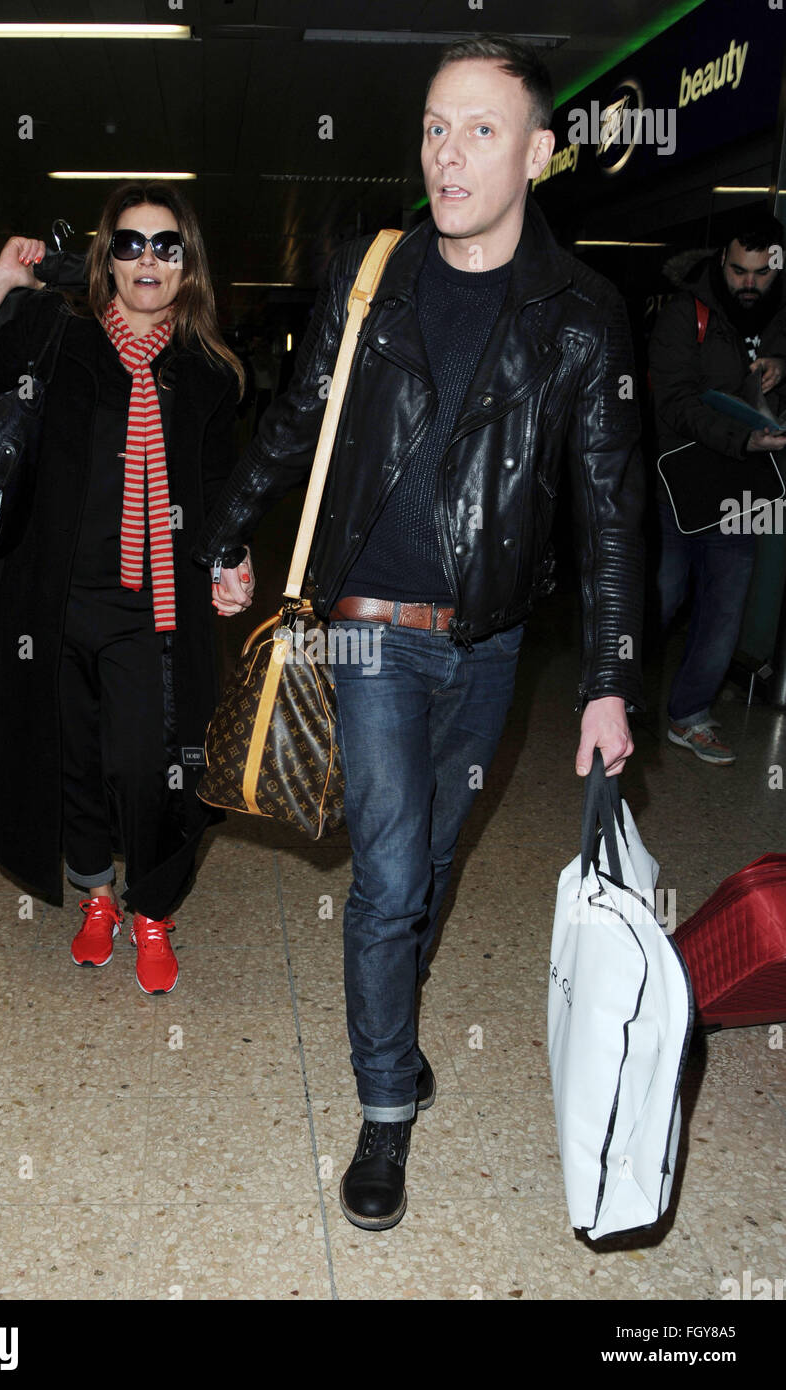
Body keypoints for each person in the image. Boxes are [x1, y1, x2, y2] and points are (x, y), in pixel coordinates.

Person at [195, 35, 644, 1229]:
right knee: (390, 872)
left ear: (539, 152)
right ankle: (384, 1107)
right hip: (368, 634)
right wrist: (229, 532)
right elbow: (298, 424)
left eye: (480, 130)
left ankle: (391, 1015)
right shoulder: (370, 273)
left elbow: (609, 515)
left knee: (436, 858)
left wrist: (608, 682)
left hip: (490, 642)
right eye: (436, 127)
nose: (447, 154)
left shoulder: (582, 318)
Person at [0, 182, 253, 994]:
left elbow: (217, 490)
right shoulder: (53, 337)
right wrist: (1, 276)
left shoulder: (208, 373)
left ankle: (152, 909)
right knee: (66, 756)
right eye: (132, 243)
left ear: (188, 263)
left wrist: (231, 558)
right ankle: (95, 898)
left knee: (149, 764)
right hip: (53, 597)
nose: (149, 260)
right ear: (108, 258)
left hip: (156, 608)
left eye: (166, 245)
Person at [649, 210, 786, 763]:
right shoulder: (686, 314)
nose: (749, 283)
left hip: (744, 490)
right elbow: (675, 403)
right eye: (738, 271)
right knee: (661, 597)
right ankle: (610, 694)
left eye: (761, 273)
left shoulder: (782, 315)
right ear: (720, 263)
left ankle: (690, 715)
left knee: (724, 609)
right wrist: (742, 438)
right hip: (681, 483)